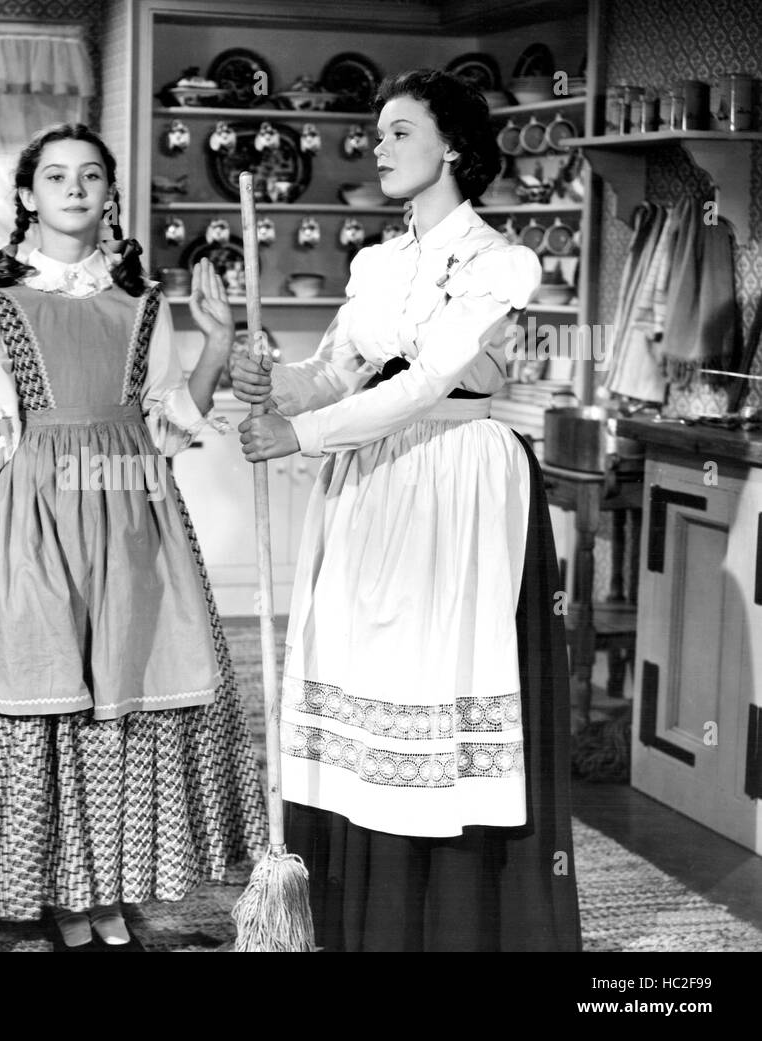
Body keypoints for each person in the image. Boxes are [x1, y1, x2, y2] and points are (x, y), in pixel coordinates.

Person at [233, 69, 581, 952]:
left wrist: (302, 434)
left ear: (453, 146)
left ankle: (449, 920)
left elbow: (428, 383)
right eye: (378, 135)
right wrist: (269, 383)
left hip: (456, 482)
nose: (376, 148)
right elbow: (336, 372)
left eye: (396, 133)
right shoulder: (376, 263)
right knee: (365, 685)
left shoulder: (504, 263)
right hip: (373, 483)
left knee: (436, 683)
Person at [0, 123, 266, 949]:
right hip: (36, 516)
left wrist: (214, 346)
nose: (75, 188)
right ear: (28, 196)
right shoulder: (1, 307)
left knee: (125, 696)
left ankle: (109, 889)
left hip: (134, 510)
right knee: (49, 695)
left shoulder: (143, 305)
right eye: (57, 176)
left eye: (92, 175)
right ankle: (60, 893)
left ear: (109, 196)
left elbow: (173, 422)